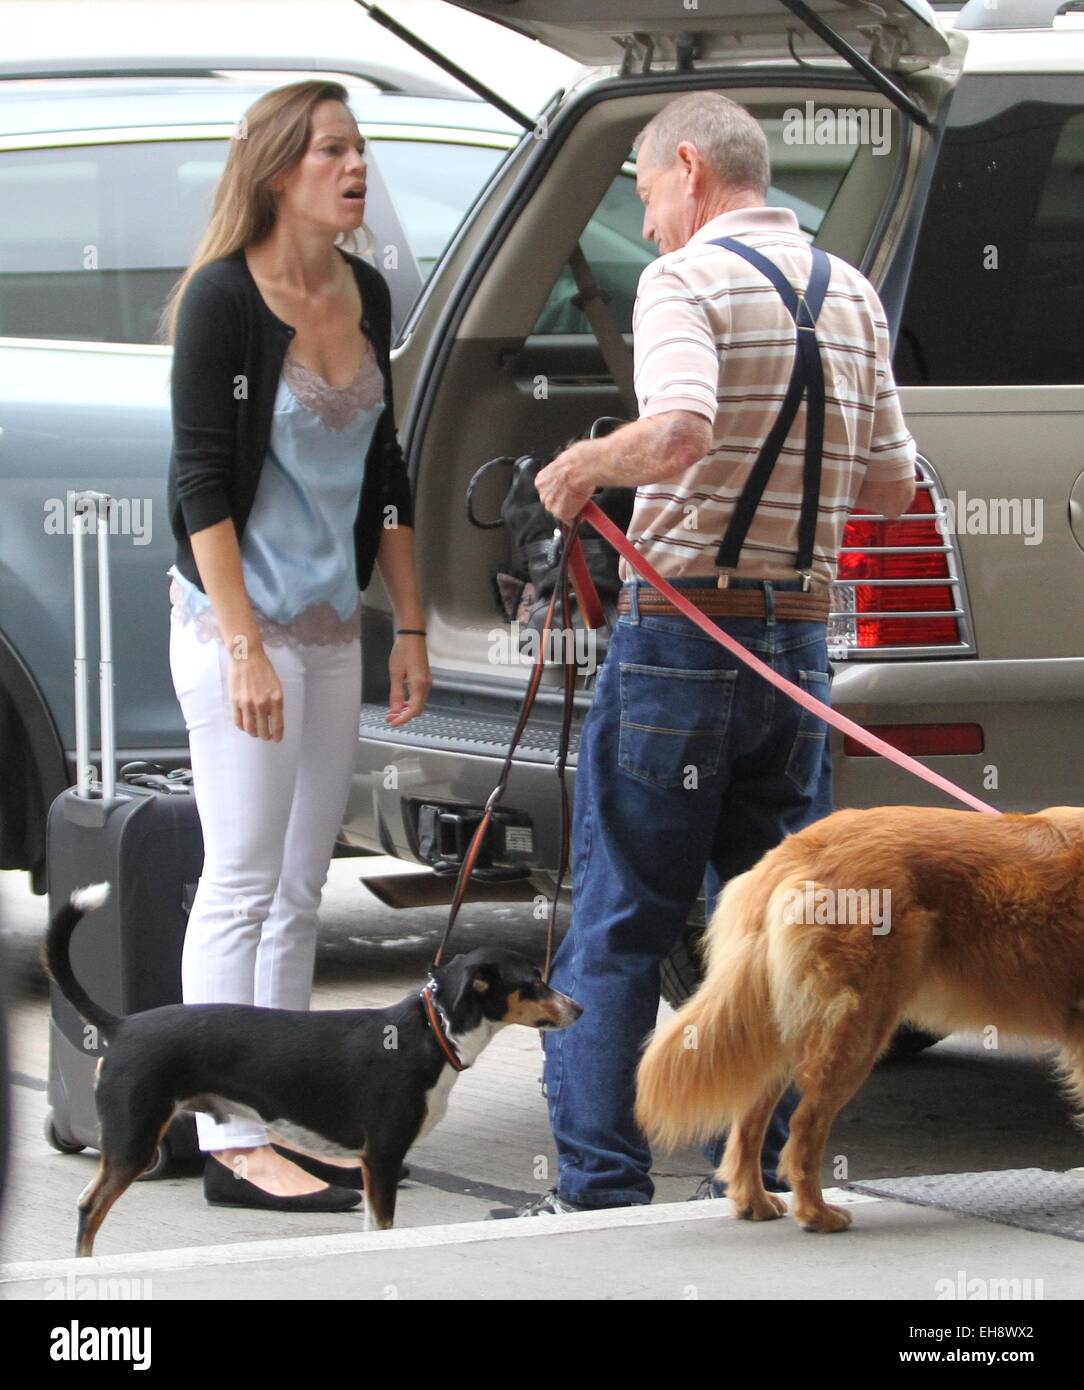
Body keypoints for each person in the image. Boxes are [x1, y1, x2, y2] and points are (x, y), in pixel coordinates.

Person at [508, 91, 916, 1214]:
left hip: (680, 645)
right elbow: (890, 483)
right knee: (784, 929)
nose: (643, 225)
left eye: (642, 192)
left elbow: (680, 428)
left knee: (620, 921)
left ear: (688, 167)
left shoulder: (682, 281)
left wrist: (584, 466)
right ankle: (752, 1174)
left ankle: (594, 1189)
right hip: (796, 648)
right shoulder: (853, 292)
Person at [162, 81, 431, 1212]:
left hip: (327, 628)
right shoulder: (223, 302)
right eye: (332, 150)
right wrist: (241, 646)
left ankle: (273, 1113)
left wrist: (406, 623)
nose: (355, 165)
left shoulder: (363, 289)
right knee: (238, 877)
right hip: (239, 628)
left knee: (301, 888)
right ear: (280, 171)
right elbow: (200, 485)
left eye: (360, 148)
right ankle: (225, 1134)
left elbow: (385, 478)